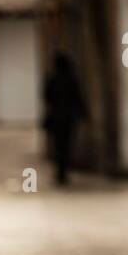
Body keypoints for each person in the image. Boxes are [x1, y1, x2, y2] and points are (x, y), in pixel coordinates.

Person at [43, 51, 87, 186]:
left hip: (56, 119)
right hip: (68, 118)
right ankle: (63, 172)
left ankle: (60, 172)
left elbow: (46, 97)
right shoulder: (71, 79)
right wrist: (82, 114)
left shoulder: (52, 79)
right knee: (66, 145)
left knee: (58, 146)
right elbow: (78, 98)